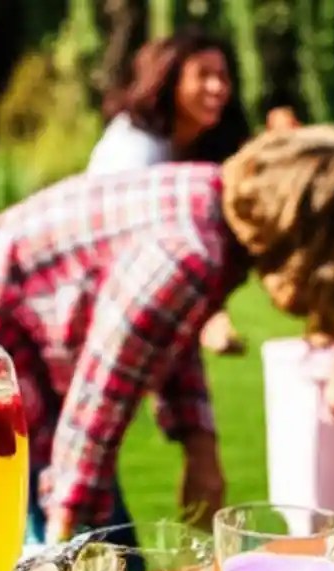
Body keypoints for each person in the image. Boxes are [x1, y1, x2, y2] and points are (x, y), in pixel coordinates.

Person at [0, 126, 334, 548]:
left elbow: (169, 337)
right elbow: (98, 399)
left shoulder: (209, 207)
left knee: (112, 559)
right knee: (73, 566)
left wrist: (200, 448)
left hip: (9, 338)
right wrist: (64, 536)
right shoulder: (188, 254)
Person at [88, 27, 252, 355]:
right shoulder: (135, 150)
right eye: (203, 75)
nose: (217, 87)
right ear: (170, 80)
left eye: (222, 76)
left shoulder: (197, 146)